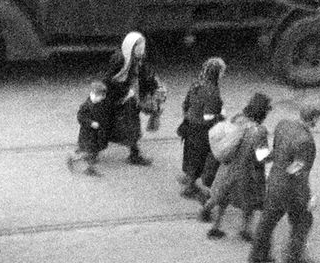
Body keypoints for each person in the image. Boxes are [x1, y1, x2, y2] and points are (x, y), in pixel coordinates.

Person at [250, 103, 320, 263]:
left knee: (268, 220)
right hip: (289, 188)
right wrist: (308, 197)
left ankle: (257, 254)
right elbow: (297, 170)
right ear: (314, 119)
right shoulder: (305, 141)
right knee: (303, 220)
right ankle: (294, 258)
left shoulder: (283, 125)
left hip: (274, 180)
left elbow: (277, 150)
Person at [201, 93, 273, 241]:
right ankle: (245, 230)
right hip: (248, 172)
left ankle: (214, 225)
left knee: (222, 196)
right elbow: (262, 156)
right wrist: (275, 155)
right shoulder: (259, 131)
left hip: (228, 167)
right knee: (250, 202)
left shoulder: (237, 119)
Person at [98, 31, 163, 166]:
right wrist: (125, 91)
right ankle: (90, 151)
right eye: (138, 47)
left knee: (132, 126)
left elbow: (146, 76)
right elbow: (109, 80)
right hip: (114, 99)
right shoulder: (120, 60)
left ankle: (134, 153)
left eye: (142, 47)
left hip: (130, 100)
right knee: (104, 125)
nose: (141, 50)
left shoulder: (139, 59)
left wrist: (155, 87)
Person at [178, 57, 226, 200]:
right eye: (222, 72)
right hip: (201, 130)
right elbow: (208, 117)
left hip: (189, 124)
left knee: (190, 153)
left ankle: (188, 178)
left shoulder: (196, 84)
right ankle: (190, 187)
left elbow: (185, 104)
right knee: (199, 158)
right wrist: (221, 116)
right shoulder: (212, 91)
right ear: (216, 73)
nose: (223, 75)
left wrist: (189, 116)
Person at [66, 82, 108, 176]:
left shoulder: (98, 104)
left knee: (90, 150)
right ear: (94, 94)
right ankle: (89, 168)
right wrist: (91, 123)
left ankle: (76, 158)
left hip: (95, 133)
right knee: (89, 150)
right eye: (100, 97)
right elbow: (80, 117)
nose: (101, 99)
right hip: (87, 133)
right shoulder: (86, 106)